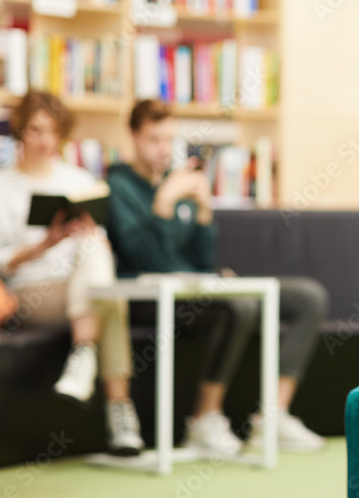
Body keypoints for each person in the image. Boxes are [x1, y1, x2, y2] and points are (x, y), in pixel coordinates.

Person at [106, 99, 329, 455]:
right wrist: (163, 205)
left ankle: (273, 416)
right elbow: (149, 261)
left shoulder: (179, 183)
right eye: (153, 139)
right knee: (238, 306)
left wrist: (205, 214)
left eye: (169, 140)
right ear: (133, 136)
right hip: (147, 297)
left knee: (308, 297)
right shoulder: (118, 185)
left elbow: (202, 259)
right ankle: (204, 420)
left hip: (196, 287)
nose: (163, 149)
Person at [0, 91, 144, 456]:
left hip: (81, 284)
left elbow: (98, 244)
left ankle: (83, 357)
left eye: (52, 132)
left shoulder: (79, 179)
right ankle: (120, 413)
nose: (44, 141)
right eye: (34, 130)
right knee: (107, 300)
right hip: (30, 290)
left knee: (96, 251)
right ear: (19, 131)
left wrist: (95, 239)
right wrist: (44, 245)